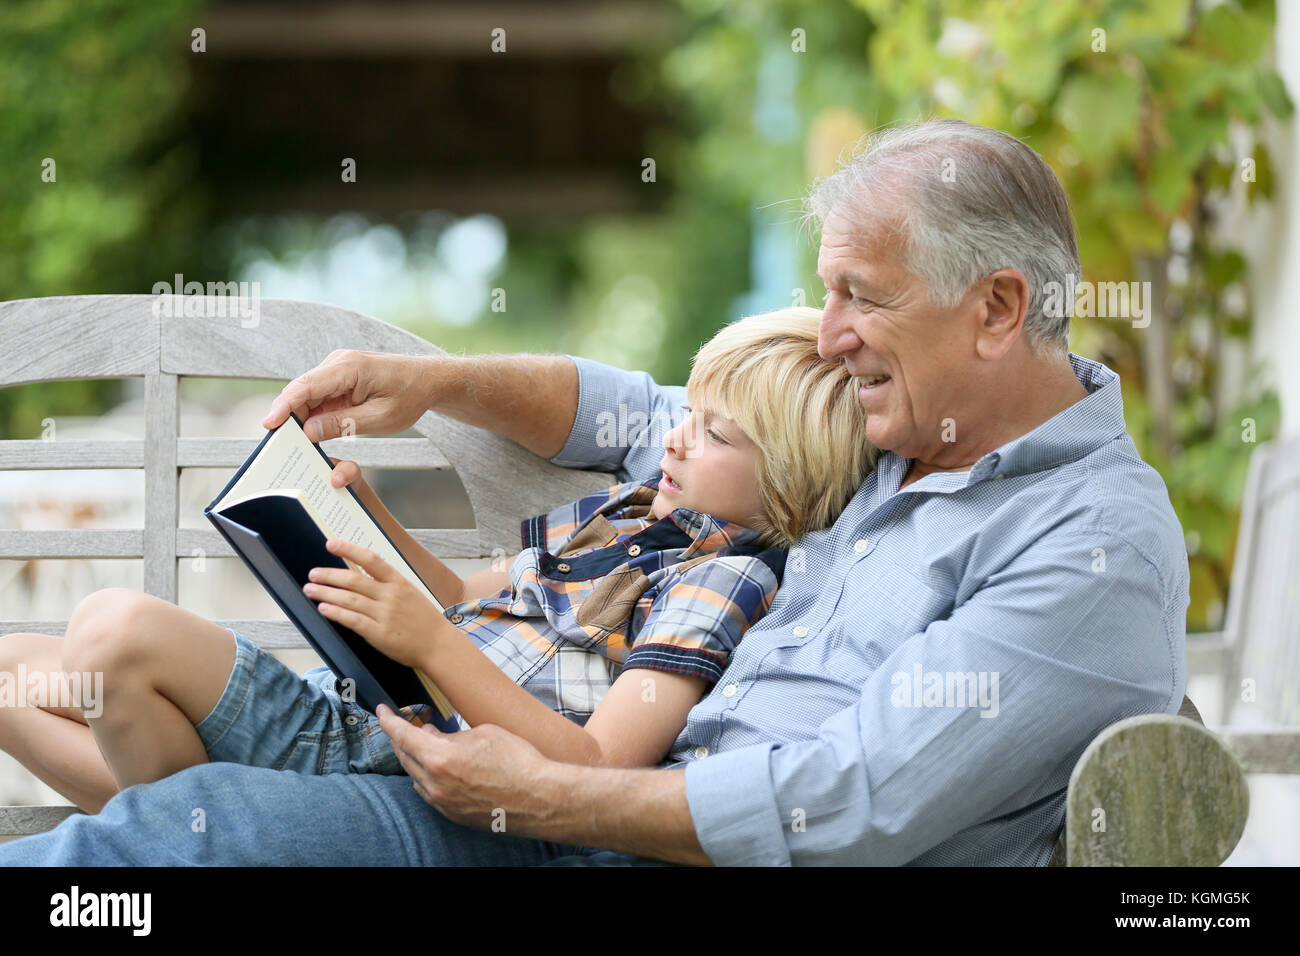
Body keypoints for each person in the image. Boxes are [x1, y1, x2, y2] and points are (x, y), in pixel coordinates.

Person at [0, 118, 1189, 866]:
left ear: (993, 309)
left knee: (173, 835)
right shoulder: (874, 431)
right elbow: (627, 410)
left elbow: (853, 803)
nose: (827, 335)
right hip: (548, 798)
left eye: (861, 297)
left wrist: (559, 795)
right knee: (165, 811)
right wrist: (431, 381)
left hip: (604, 827)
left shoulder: (1087, 541)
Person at [0, 309, 874, 799]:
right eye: (689, 414)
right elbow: (463, 591)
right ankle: (193, 826)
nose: (674, 442)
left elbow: (601, 767)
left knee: (114, 635)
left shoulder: (720, 580)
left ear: (789, 480)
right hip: (349, 698)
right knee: (10, 676)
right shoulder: (636, 510)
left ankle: (201, 830)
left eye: (713, 434)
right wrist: (363, 511)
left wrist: (430, 645)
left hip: (385, 750)